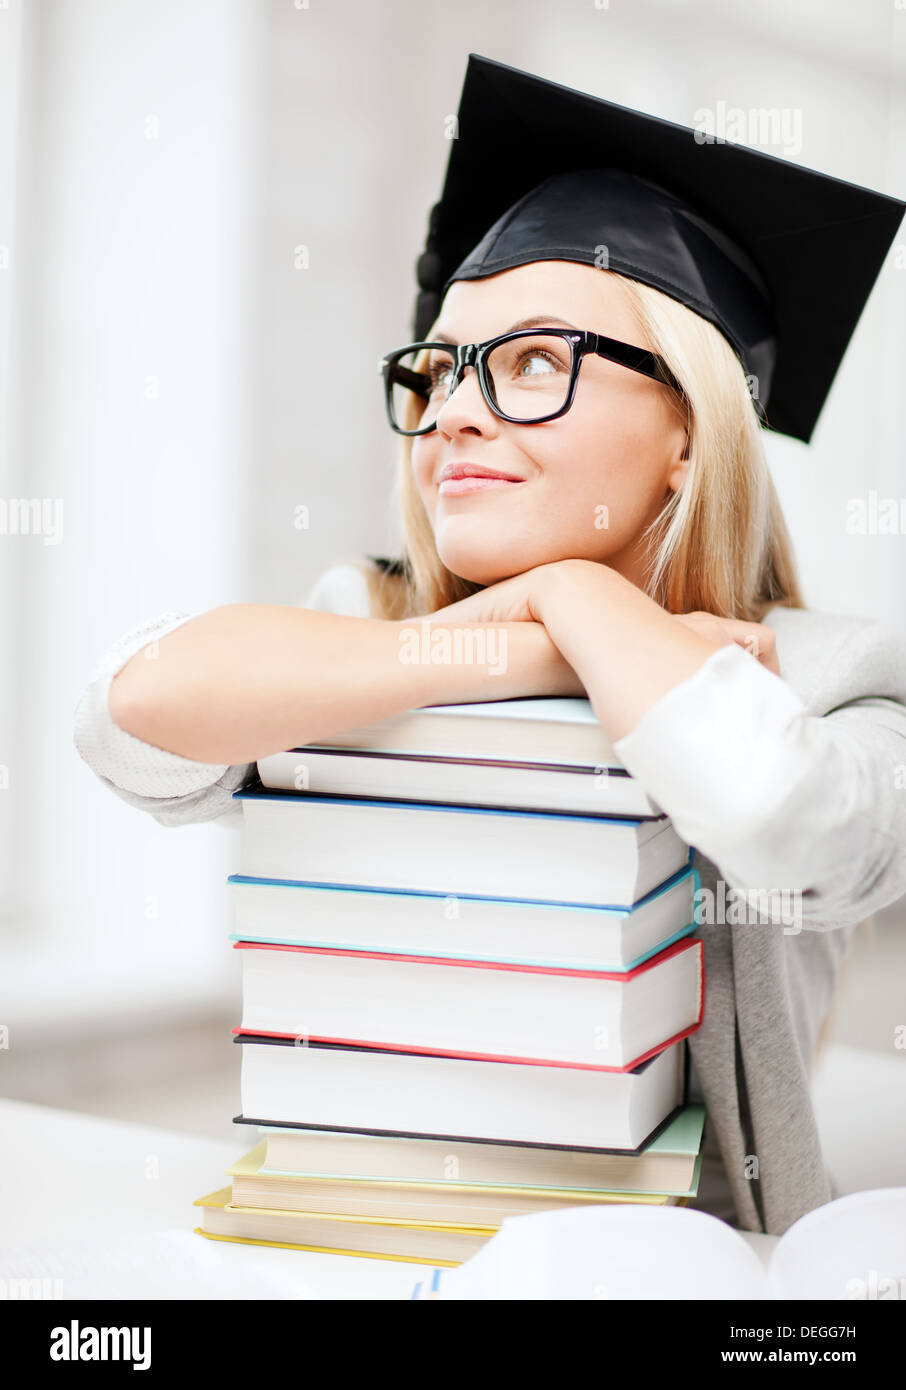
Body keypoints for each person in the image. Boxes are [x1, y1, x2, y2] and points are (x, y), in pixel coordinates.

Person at [73, 55, 906, 1237]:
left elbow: (787, 819)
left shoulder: (833, 678)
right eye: (441, 366)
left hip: (678, 1261)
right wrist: (512, 645)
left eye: (530, 362)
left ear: (687, 427)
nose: (454, 408)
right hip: (359, 1237)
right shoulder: (370, 623)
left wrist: (578, 593)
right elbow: (124, 715)